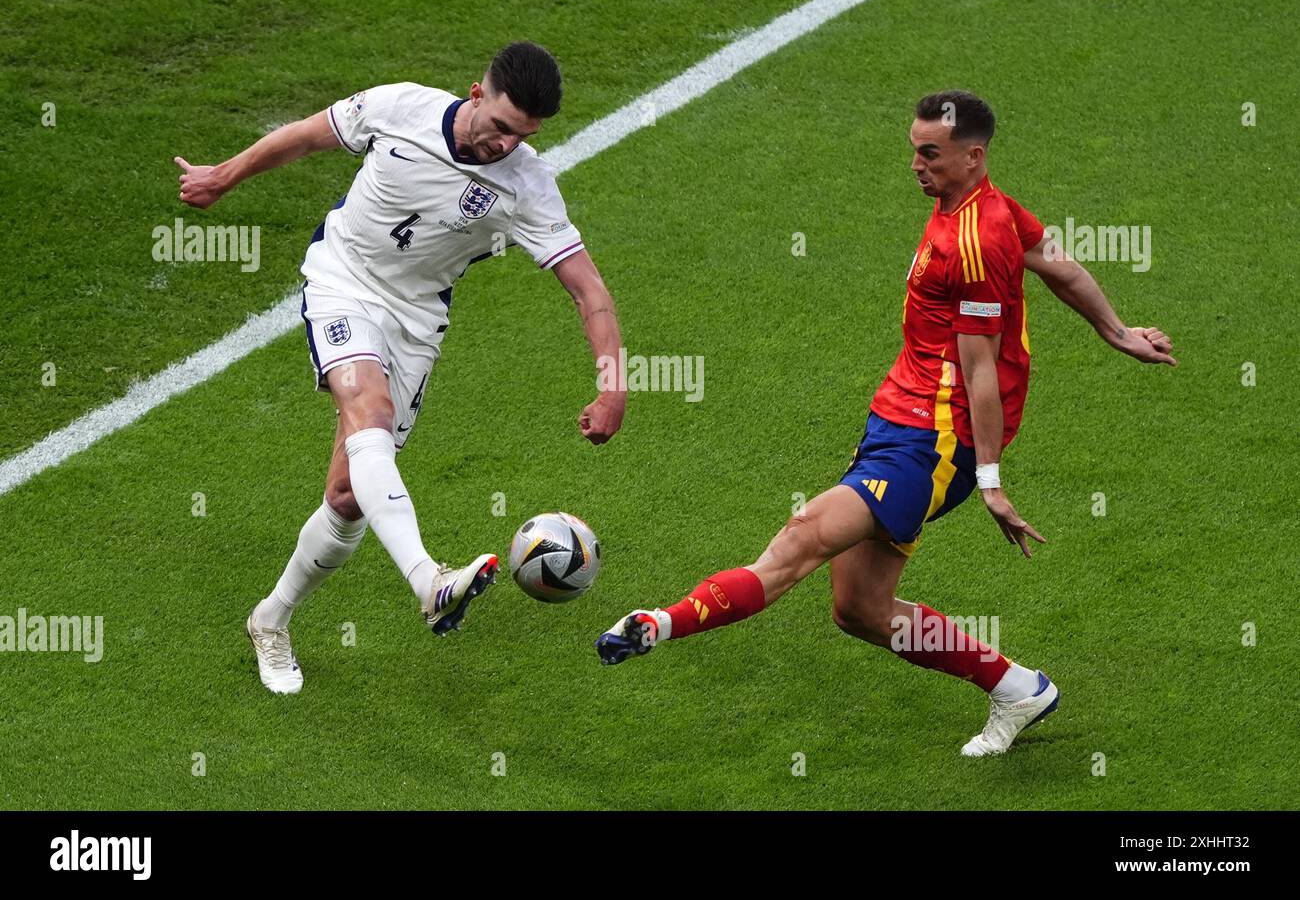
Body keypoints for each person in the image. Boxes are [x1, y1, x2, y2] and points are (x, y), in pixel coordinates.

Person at [595, 90, 1175, 756]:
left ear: (973, 156)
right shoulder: (985, 209)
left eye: (930, 153)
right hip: (899, 420)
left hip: (934, 445)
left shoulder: (976, 240)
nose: (916, 164)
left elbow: (981, 369)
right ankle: (1018, 688)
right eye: (914, 150)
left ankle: (657, 624)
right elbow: (1055, 261)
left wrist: (988, 479)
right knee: (860, 610)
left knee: (797, 545)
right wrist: (1116, 328)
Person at [176, 42, 625, 694]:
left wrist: (612, 386)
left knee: (348, 497)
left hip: (416, 324)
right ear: (476, 93)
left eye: (522, 136)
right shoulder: (398, 108)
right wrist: (226, 175)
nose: (505, 144)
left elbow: (590, 291)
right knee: (371, 415)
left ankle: (270, 619)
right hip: (343, 283)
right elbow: (303, 139)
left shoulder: (528, 185)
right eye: (499, 126)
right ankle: (430, 581)